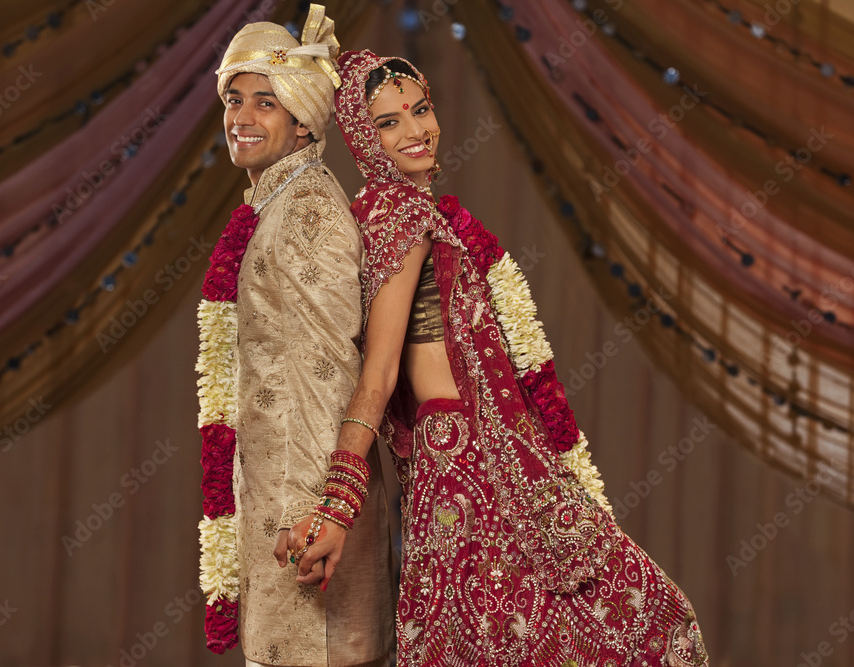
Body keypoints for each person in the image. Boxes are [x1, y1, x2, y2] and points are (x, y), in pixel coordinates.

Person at [286, 50, 710, 666]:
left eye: (421, 109)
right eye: (389, 122)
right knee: (614, 626)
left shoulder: (401, 213)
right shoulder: (400, 215)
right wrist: (338, 505)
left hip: (479, 459)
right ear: (361, 137)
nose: (415, 130)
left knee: (520, 638)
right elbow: (378, 373)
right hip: (469, 467)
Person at [199, 14, 392, 667]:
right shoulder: (275, 206)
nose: (242, 116)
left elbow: (331, 370)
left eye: (266, 100)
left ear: (304, 120)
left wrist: (320, 513)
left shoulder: (306, 210)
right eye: (234, 98)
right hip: (288, 523)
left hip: (307, 529)